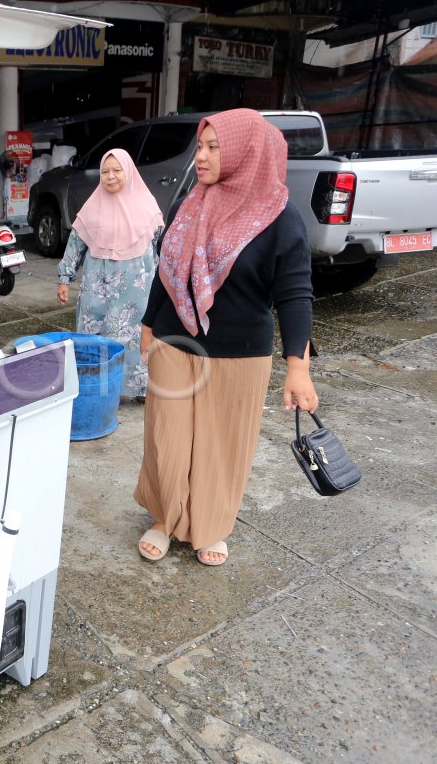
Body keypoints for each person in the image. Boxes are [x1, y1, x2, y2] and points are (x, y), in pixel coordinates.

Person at [134, 108, 319, 567]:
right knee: (166, 437)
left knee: (222, 443)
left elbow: (295, 293)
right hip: (175, 342)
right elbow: (167, 271)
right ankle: (163, 517)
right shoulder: (187, 204)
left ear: (246, 152)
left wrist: (298, 366)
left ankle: (209, 524)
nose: (202, 156)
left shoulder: (280, 218)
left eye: (215, 147)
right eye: (201, 145)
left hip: (240, 353)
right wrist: (147, 325)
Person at [56, 148, 163, 398]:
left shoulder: (147, 207)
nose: (110, 176)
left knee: (134, 335)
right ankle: (96, 386)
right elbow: (76, 242)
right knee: (94, 334)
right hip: (97, 286)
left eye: (117, 171)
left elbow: (160, 249)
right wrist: (65, 279)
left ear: (129, 172)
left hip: (135, 288)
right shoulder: (93, 206)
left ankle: (134, 388)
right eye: (105, 171)